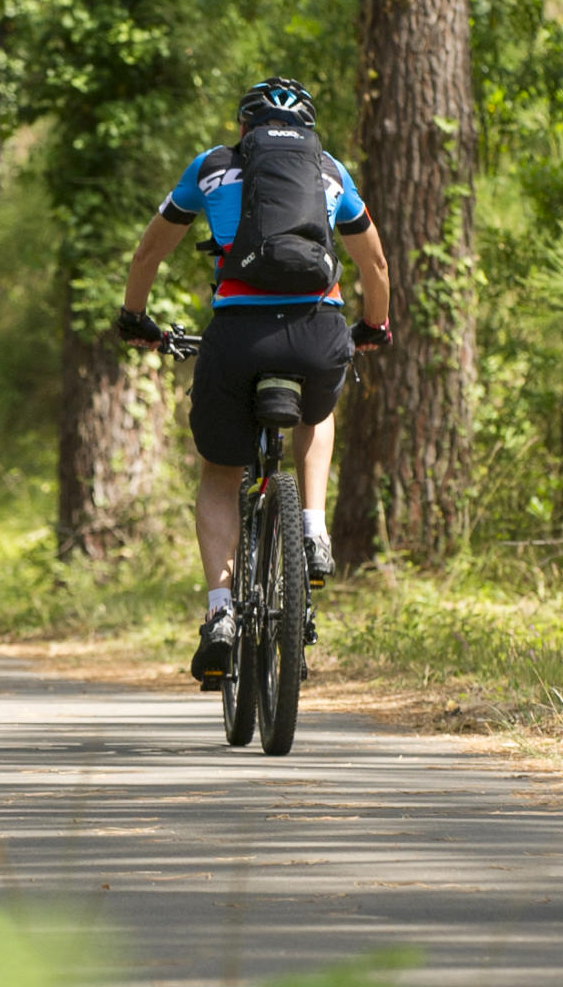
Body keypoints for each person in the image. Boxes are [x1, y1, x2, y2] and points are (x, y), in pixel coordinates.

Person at [116, 78, 392, 686]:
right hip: (318, 332)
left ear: (244, 128)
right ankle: (313, 529)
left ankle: (219, 614)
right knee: (318, 414)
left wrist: (135, 318)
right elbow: (373, 262)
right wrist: (371, 327)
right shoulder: (330, 171)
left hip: (238, 338)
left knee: (220, 471)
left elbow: (149, 255)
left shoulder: (211, 168)